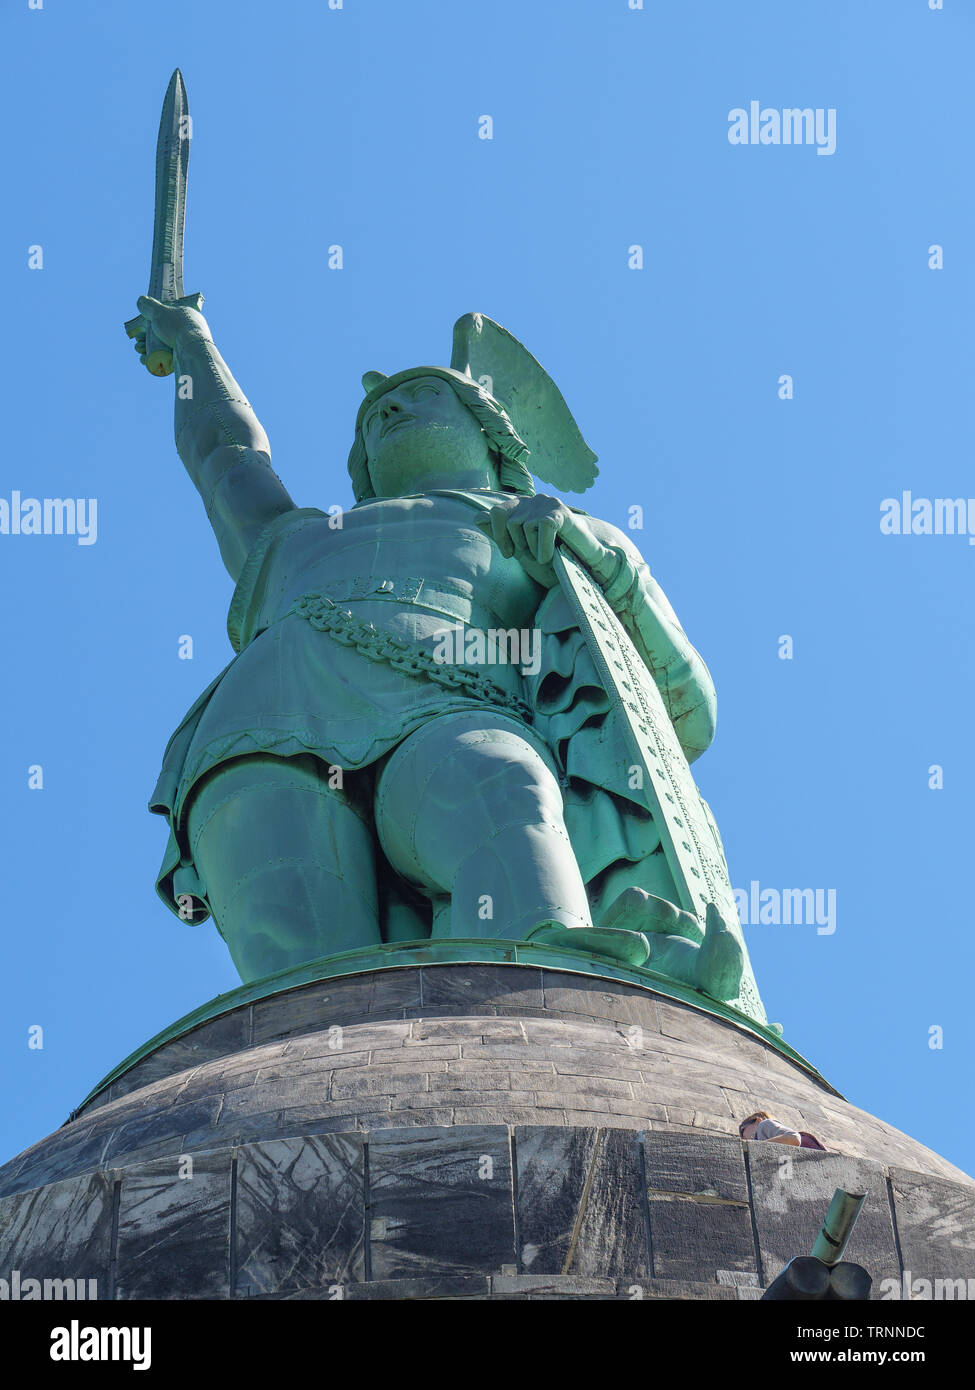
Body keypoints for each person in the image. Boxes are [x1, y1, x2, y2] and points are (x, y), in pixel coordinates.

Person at [131, 297, 748, 1000]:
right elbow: (225, 454)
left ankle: (564, 991)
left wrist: (600, 565)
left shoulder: (550, 530)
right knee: (303, 980)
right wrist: (191, 344)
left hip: (454, 709)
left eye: (420, 394)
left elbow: (686, 711)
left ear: (493, 434)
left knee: (504, 796)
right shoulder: (291, 539)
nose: (389, 412)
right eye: (373, 417)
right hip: (263, 725)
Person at [739, 1110, 826, 1149]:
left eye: (743, 1130)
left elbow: (794, 1138)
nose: (743, 1138)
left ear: (757, 1120)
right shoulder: (765, 1136)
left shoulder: (763, 1125)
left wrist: (755, 1148)